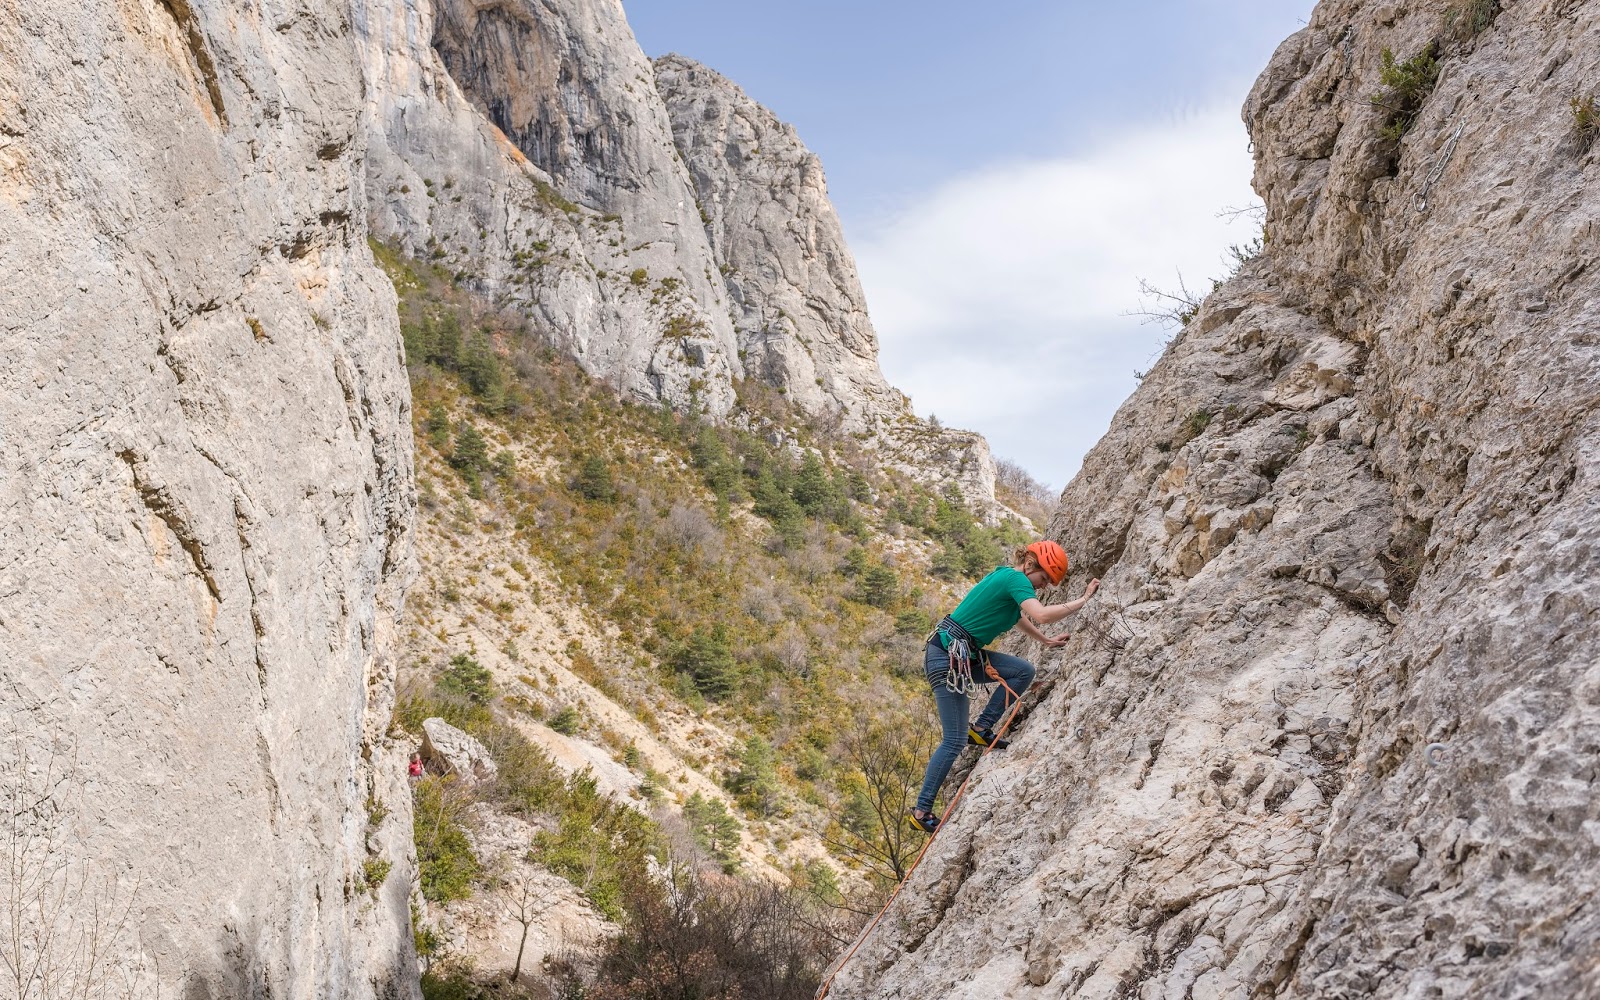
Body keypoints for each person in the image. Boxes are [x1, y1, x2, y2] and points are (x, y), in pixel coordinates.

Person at [907, 540, 1099, 833]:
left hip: (961, 652)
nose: (1044, 586)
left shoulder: (1006, 579)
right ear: (1032, 565)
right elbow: (1042, 614)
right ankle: (921, 813)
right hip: (949, 655)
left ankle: (982, 729)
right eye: (1045, 579)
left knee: (1022, 671)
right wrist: (1083, 600)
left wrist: (1045, 641)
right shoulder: (1015, 578)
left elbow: (1018, 618)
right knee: (954, 739)